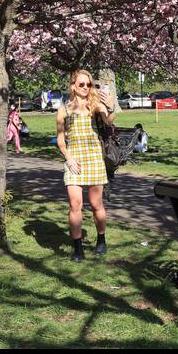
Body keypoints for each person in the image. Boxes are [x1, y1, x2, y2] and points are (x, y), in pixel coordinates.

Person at [57, 69, 111, 261]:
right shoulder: (64, 109)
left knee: (96, 204)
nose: (86, 88)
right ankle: (78, 248)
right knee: (75, 204)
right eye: (82, 84)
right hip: (74, 160)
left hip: (94, 158)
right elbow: (60, 139)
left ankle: (101, 239)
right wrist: (68, 157)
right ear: (73, 86)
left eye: (88, 84)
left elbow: (108, 121)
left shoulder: (95, 105)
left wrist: (110, 107)